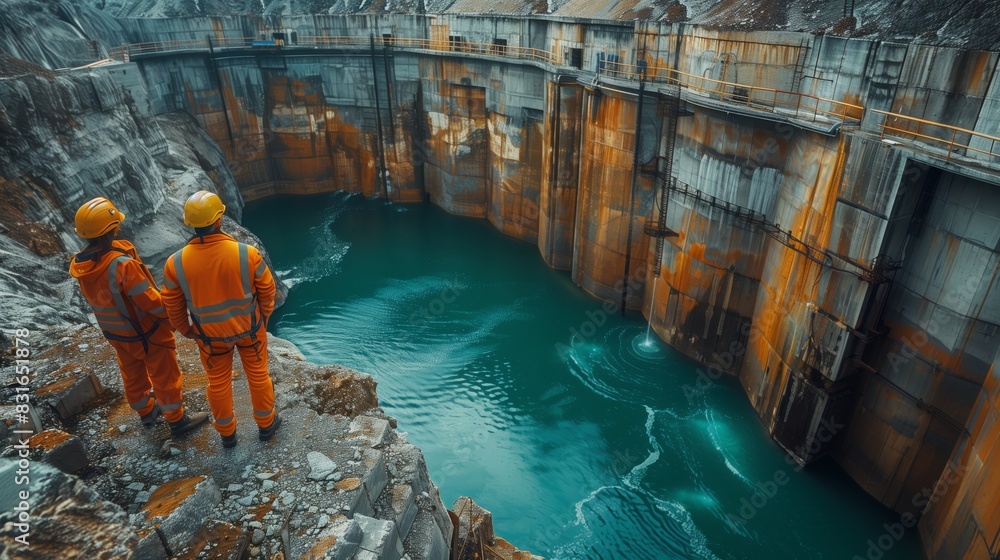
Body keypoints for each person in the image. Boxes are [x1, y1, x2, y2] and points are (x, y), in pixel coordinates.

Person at [69, 197, 210, 436]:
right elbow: (150, 302)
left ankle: (146, 412)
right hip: (147, 332)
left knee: (132, 373)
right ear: (111, 228)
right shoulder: (122, 265)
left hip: (117, 333)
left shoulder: (83, 266)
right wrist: (175, 314)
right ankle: (177, 420)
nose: (119, 226)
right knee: (164, 374)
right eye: (116, 223)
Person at [161, 190, 280, 449]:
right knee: (258, 377)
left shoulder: (175, 263)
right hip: (249, 331)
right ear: (218, 220)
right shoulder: (246, 254)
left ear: (190, 224)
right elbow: (268, 291)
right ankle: (266, 426)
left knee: (217, 384)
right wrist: (264, 318)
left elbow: (172, 303)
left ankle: (227, 434)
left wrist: (185, 330)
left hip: (209, 337)